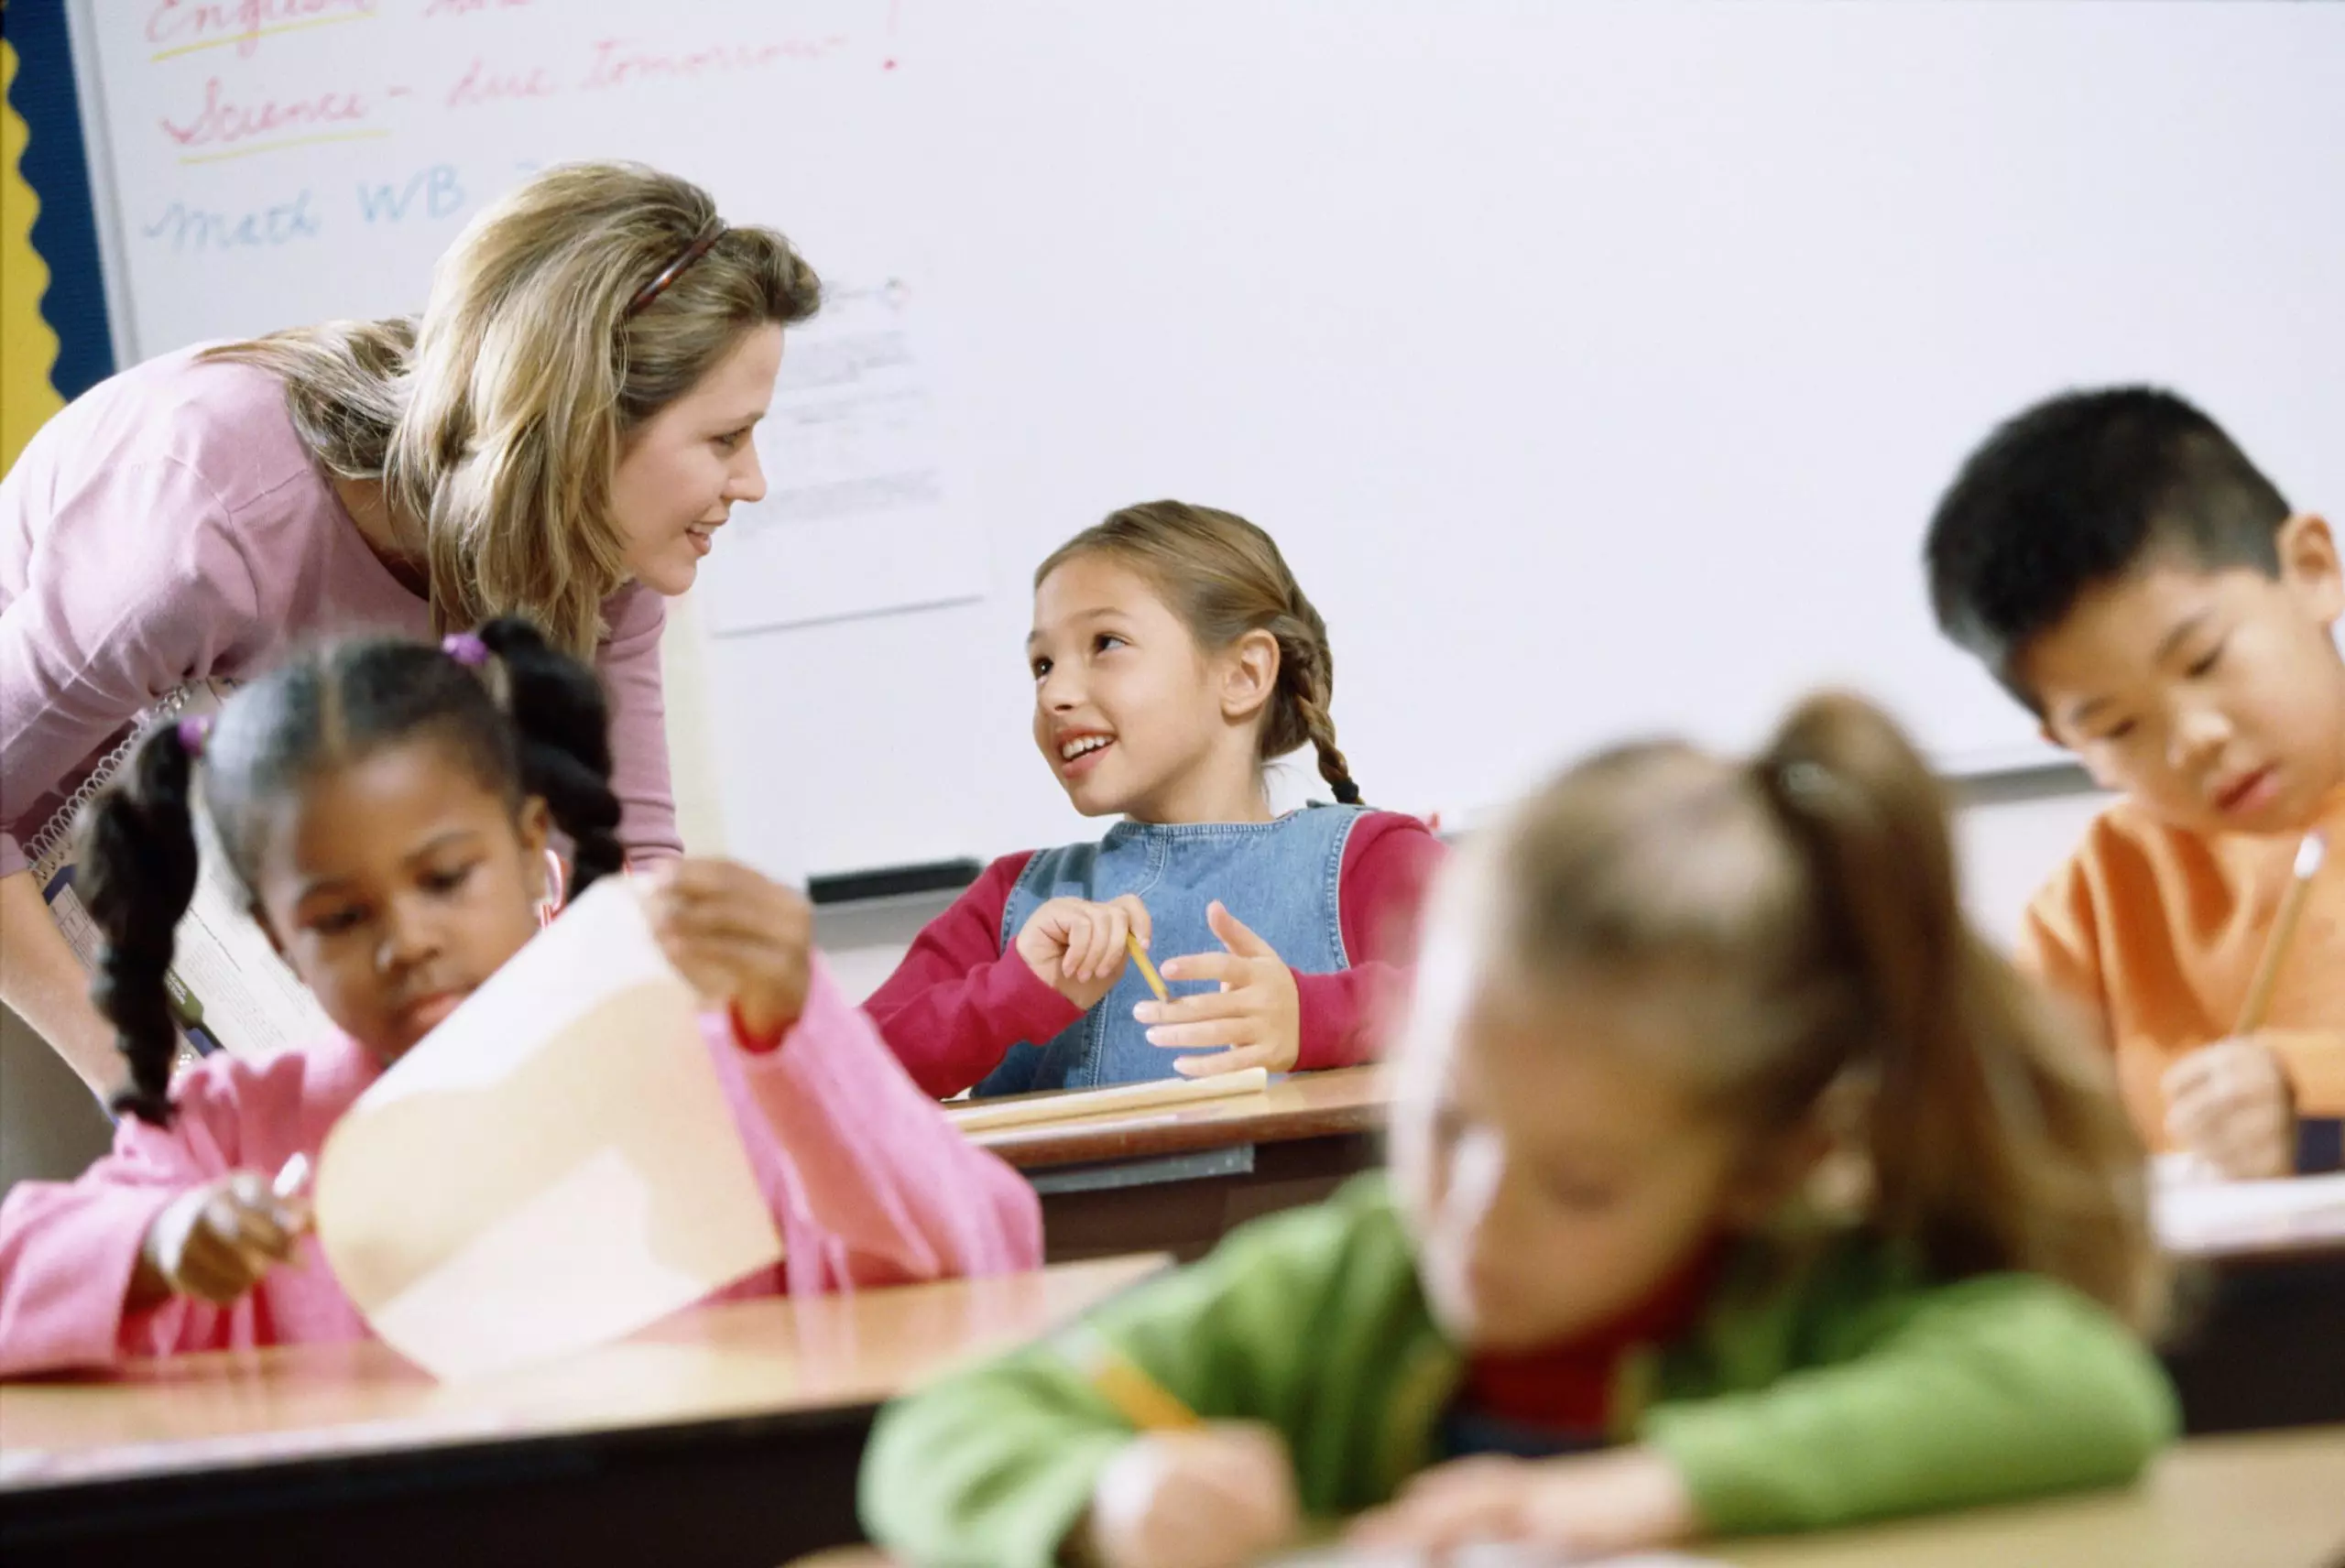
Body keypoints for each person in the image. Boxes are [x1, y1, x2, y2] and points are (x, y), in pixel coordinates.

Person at [860, 691, 2173, 1567]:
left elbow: (2087, 1387)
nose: (1474, 1220)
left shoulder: (1806, 1282)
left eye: (1586, 1184)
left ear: (1766, 1166)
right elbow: (940, 1439)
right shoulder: (1353, 1286)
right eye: (1447, 1129)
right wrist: (1110, 1499)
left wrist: (1654, 1493)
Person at [0, 621, 1040, 1375]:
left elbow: (979, 1256)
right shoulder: (230, 1131)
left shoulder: (704, 1066)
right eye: (339, 918)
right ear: (280, 940)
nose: (408, 939)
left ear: (531, 847)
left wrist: (802, 1036)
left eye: (446, 878)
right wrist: (154, 1245)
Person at [2, 160, 820, 1096]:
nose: (753, 481)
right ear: (581, 425)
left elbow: (619, 872)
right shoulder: (210, 527)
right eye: (724, 438)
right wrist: (149, 1087)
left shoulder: (604, 551)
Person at [865, 501, 1445, 1097]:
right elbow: (843, 1074)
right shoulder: (1013, 900)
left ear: (1243, 675)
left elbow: (1517, 999)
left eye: (1107, 642)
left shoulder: (1370, 859)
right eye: (1042, 664)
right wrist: (1009, 996)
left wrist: (1314, 1015)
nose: (1054, 694)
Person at [1925, 387, 2345, 1177]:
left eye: (2205, 660)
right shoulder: (2093, 907)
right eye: (2118, 727)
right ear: (2067, 743)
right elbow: (2034, 1157)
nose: (2194, 739)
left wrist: (2317, 1111)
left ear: (2314, 571)